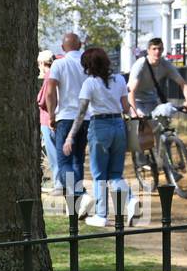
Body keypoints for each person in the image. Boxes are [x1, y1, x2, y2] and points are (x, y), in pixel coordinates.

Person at [63, 48, 132, 229]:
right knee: (116, 173)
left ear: (88, 65)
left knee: (99, 174)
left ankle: (101, 214)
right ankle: (131, 202)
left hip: (99, 126)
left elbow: (81, 113)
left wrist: (70, 136)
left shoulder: (90, 83)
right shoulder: (119, 79)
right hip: (118, 125)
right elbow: (126, 107)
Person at [128, 37, 187, 155]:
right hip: (135, 101)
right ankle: (141, 160)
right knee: (141, 130)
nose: (157, 52)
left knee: (162, 126)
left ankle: (165, 162)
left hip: (151, 100)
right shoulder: (141, 64)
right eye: (154, 49)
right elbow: (131, 91)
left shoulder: (165, 64)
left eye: (160, 49)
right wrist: (134, 113)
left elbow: (183, 83)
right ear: (148, 50)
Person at [45, 32, 87, 201]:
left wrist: (51, 115)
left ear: (63, 48)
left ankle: (78, 195)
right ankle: (77, 202)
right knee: (78, 160)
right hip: (85, 117)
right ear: (80, 45)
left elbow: (50, 92)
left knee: (64, 162)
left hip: (66, 117)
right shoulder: (88, 64)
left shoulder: (59, 64)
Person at [35, 50, 60, 190]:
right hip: (54, 118)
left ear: (42, 63)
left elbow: (43, 99)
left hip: (47, 119)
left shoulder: (49, 76)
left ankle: (58, 182)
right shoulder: (56, 74)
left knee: (53, 154)